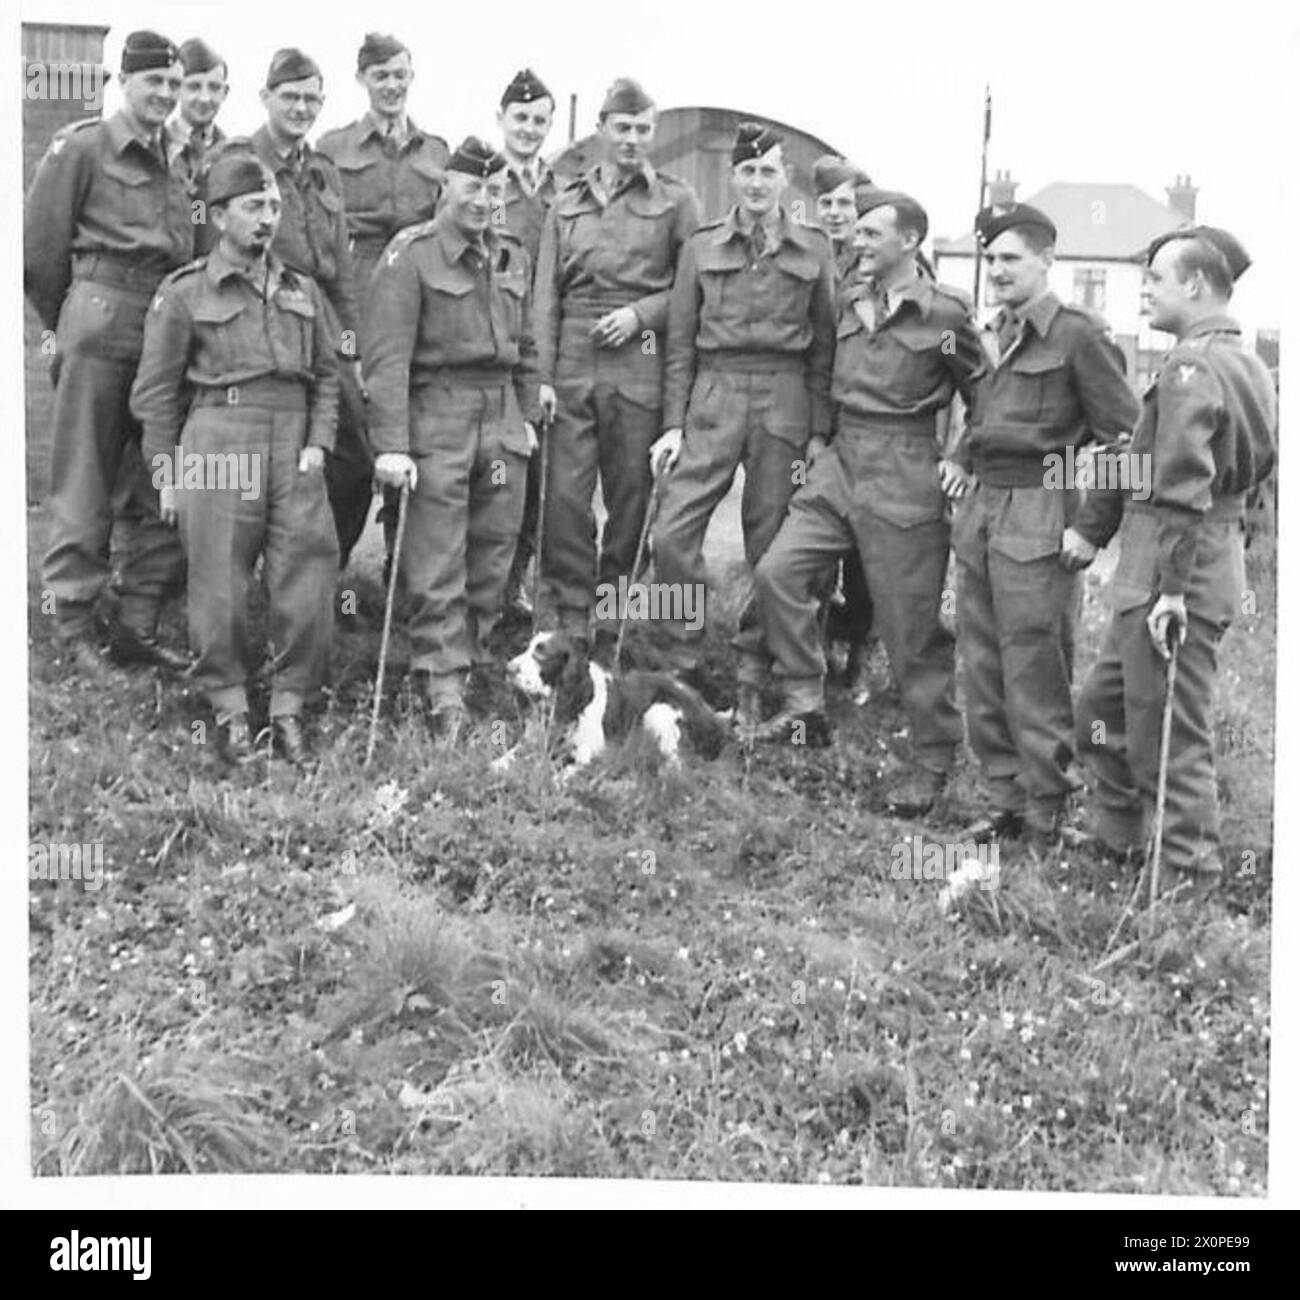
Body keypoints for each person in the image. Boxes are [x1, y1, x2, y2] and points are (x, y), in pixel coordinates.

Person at [753, 191, 982, 815]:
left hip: (906, 466)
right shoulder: (848, 300)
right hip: (841, 459)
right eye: (857, 230)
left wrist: (961, 458)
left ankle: (933, 759)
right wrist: (820, 442)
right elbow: (827, 376)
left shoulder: (945, 316)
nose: (858, 239)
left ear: (910, 240)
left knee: (911, 629)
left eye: (873, 231)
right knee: (779, 573)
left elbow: (986, 396)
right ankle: (805, 704)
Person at [1071, 227, 1276, 897]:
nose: (1145, 292)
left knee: (1171, 736)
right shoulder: (1236, 360)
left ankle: (1188, 883)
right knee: (1104, 708)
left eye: (1155, 278)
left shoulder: (1194, 368)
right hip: (1169, 561)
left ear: (1193, 285)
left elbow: (1186, 489)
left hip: (1176, 569)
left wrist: (1172, 593)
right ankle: (1121, 834)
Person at [131, 155, 340, 765]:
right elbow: (155, 394)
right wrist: (166, 476)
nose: (266, 219)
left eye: (274, 207)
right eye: (254, 207)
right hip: (219, 437)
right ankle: (228, 707)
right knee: (218, 578)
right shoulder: (185, 291)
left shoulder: (303, 290)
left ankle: (290, 707)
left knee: (307, 571)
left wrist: (318, 444)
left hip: (293, 438)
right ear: (218, 215)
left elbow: (327, 375)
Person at [952, 203, 1140, 845]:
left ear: (1046, 260)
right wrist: (959, 459)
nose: (997, 270)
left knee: (1034, 664)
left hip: (1042, 502)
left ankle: (1046, 809)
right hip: (983, 508)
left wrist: (1092, 528)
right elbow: (982, 417)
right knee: (981, 662)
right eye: (990, 259)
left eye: (1010, 258)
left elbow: (1124, 442)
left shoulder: (1079, 335)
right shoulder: (992, 331)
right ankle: (1004, 797)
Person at [649, 122, 835, 717]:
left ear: (786, 179)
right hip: (715, 391)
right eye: (748, 171)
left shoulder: (814, 248)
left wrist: (818, 431)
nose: (758, 183)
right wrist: (673, 424)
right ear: (733, 177)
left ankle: (754, 668)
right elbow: (678, 342)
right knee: (672, 531)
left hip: (784, 397)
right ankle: (682, 655)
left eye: (769, 172)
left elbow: (825, 347)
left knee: (770, 540)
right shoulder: (701, 246)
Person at [24, 30, 191, 671]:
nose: (166, 96)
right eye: (155, 82)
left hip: (163, 323)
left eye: (175, 85)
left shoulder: (178, 157)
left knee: (158, 474)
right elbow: (39, 252)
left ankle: (136, 618)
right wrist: (76, 317)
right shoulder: (83, 145)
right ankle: (69, 620)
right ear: (124, 82)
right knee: (85, 475)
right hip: (100, 315)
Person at [364, 138, 541, 734]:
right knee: (436, 553)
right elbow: (385, 360)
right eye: (473, 187)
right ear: (445, 188)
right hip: (437, 412)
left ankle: (470, 658)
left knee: (494, 548)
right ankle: (440, 684)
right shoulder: (410, 256)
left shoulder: (512, 254)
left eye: (495, 190)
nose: (484, 200)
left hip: (501, 415)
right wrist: (391, 443)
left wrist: (527, 415)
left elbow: (529, 346)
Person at [533, 77, 699, 651]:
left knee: (630, 498)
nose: (632, 139)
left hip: (639, 360)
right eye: (622, 127)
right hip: (574, 357)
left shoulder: (676, 201)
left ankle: (612, 618)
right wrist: (544, 378)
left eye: (643, 129)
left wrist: (641, 315)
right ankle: (572, 615)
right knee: (563, 499)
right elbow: (544, 297)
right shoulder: (566, 202)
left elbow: (688, 291)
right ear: (601, 128)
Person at [201, 49, 371, 567]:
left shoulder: (322, 170)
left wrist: (352, 348)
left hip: (321, 319)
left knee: (354, 460)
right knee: (257, 463)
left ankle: (318, 573)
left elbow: (339, 270)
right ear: (265, 98)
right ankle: (239, 579)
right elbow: (211, 248)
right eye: (290, 96)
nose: (301, 108)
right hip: (257, 314)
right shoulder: (236, 161)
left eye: (311, 98)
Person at [497, 67, 559, 620]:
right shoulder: (485, 185)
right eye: (520, 118)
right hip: (492, 346)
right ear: (501, 120)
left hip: (542, 352)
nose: (529, 128)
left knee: (536, 484)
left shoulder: (561, 192)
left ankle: (513, 583)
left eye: (540, 120)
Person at [168, 38, 228, 184]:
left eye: (214, 87)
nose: (204, 98)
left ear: (225, 93)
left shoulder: (233, 154)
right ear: (176, 89)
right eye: (194, 87)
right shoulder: (158, 148)